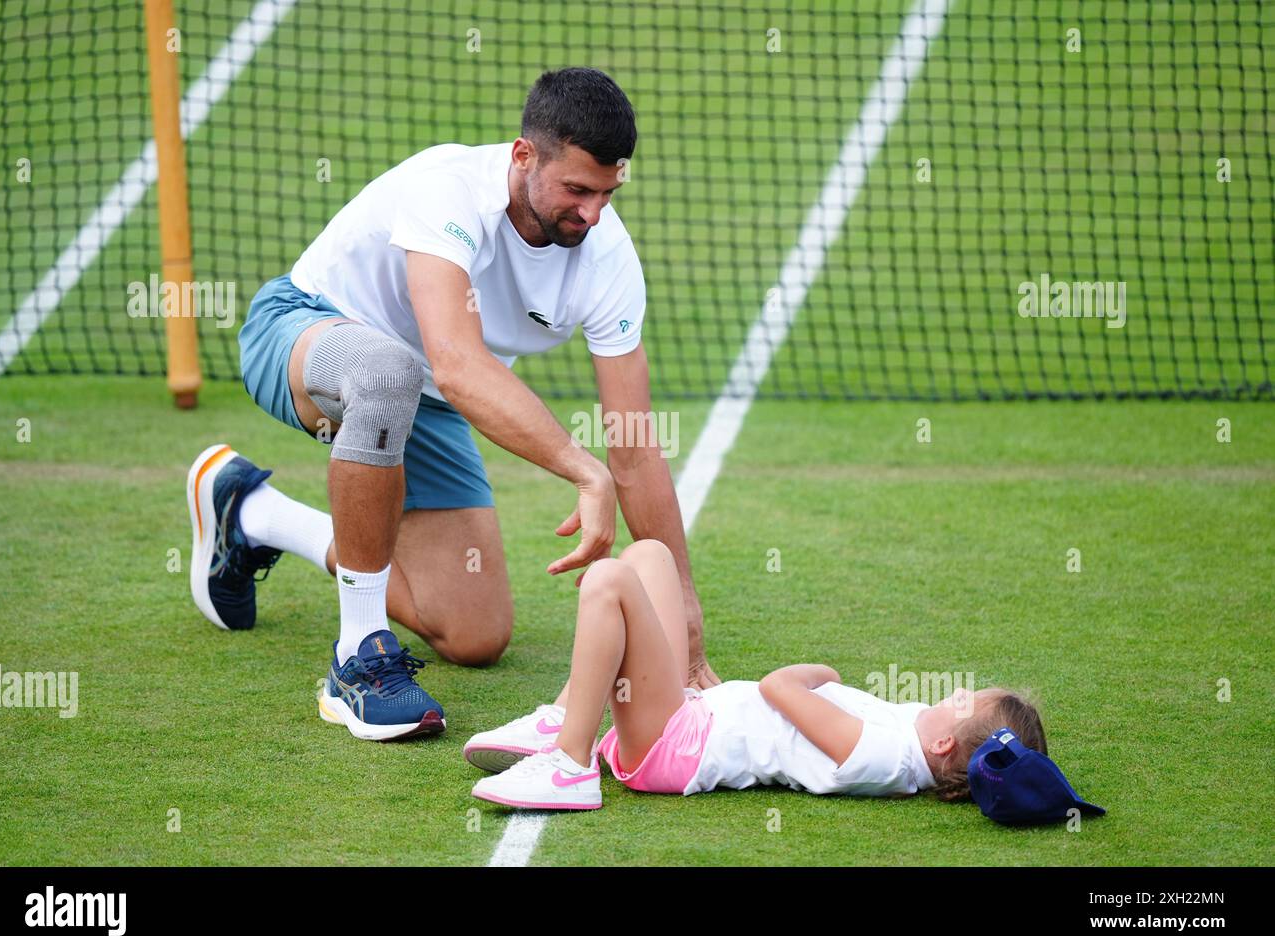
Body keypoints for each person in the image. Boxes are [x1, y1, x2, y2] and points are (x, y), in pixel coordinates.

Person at [184, 68, 719, 742]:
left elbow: (636, 448)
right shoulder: (447, 187)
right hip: (304, 333)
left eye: (608, 194)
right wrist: (583, 470)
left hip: (421, 399)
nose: (592, 214)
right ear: (525, 156)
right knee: (386, 371)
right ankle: (357, 657)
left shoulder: (607, 259)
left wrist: (688, 625)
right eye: (578, 190)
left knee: (475, 633)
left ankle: (250, 512)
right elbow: (458, 365)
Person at [468, 539, 1046, 810]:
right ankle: (562, 721)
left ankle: (570, 765)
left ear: (944, 741)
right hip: (694, 715)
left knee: (608, 581)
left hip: (677, 747)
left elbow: (778, 687)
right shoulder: (909, 739)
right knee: (650, 556)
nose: (959, 692)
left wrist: (823, 670)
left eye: (968, 700)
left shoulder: (884, 755)